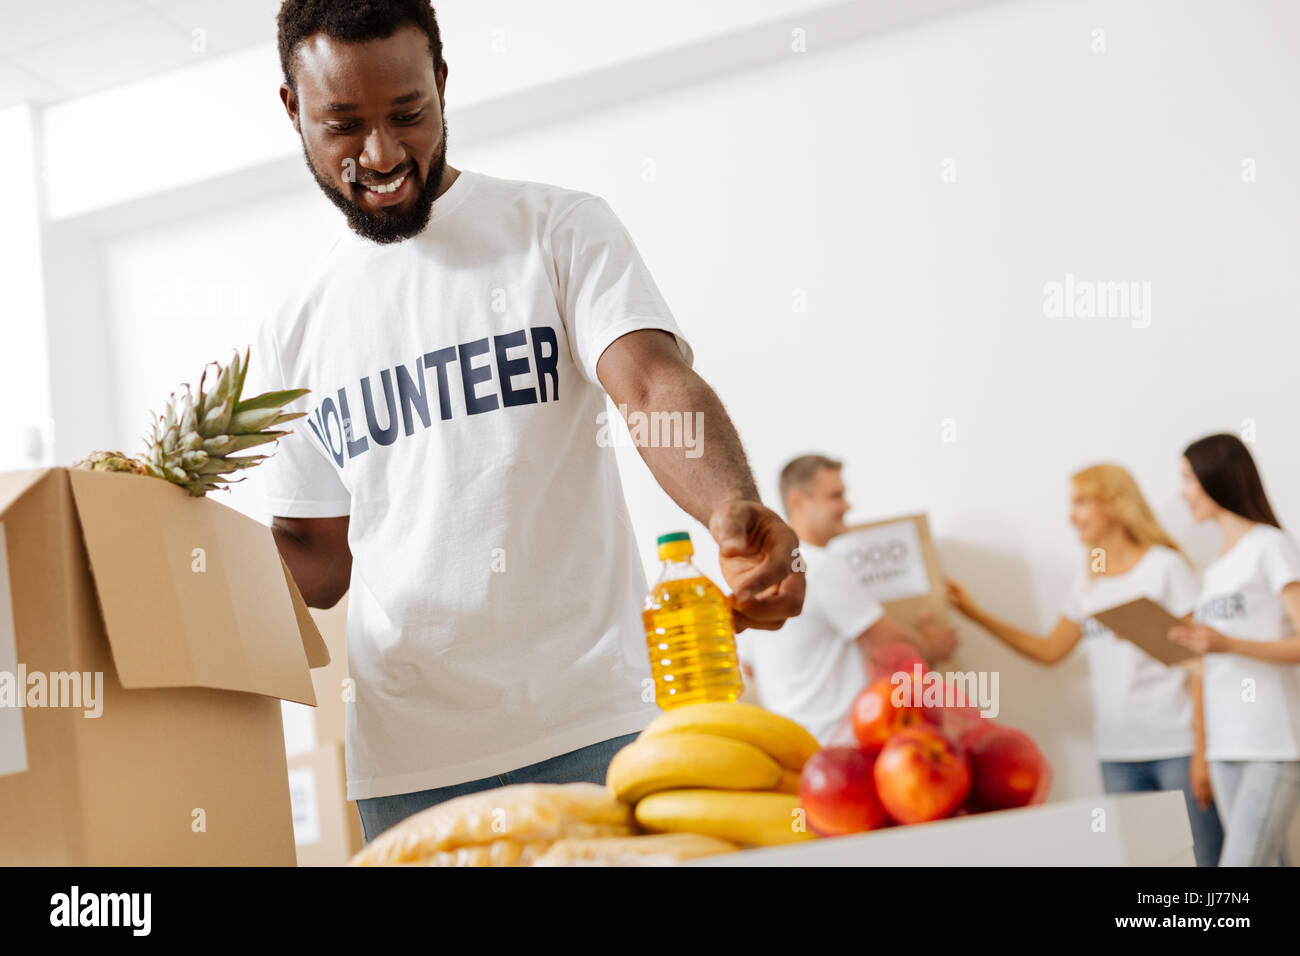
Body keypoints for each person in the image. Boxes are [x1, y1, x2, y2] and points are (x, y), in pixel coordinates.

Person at [255, 0, 805, 843]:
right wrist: (174, 564)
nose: (383, 154)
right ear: (293, 110)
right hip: (409, 760)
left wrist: (727, 508)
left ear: (442, 82)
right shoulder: (294, 326)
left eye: (409, 114)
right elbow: (317, 561)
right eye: (344, 125)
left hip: (601, 721)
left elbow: (652, 388)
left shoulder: (555, 229)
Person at [946, 464, 1224, 867]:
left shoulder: (1164, 567)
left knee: (1206, 864)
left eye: (1080, 502)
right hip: (1117, 754)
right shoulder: (1089, 579)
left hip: (1176, 748)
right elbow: (1049, 651)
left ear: (1113, 503)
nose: (1071, 516)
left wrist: (1202, 752)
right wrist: (975, 614)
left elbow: (1201, 665)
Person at [737, 455, 957, 745]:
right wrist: (932, 645)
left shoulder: (758, 576)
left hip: (795, 748)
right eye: (835, 496)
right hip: (843, 744)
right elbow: (885, 642)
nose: (847, 505)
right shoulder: (819, 565)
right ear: (797, 502)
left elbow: (750, 667)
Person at [1168, 434, 1300, 866]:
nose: (1182, 492)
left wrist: (1227, 643)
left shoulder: (1270, 545)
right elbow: (1209, 664)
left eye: (1188, 478)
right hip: (1226, 747)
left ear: (1214, 477)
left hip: (1272, 744)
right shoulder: (1215, 571)